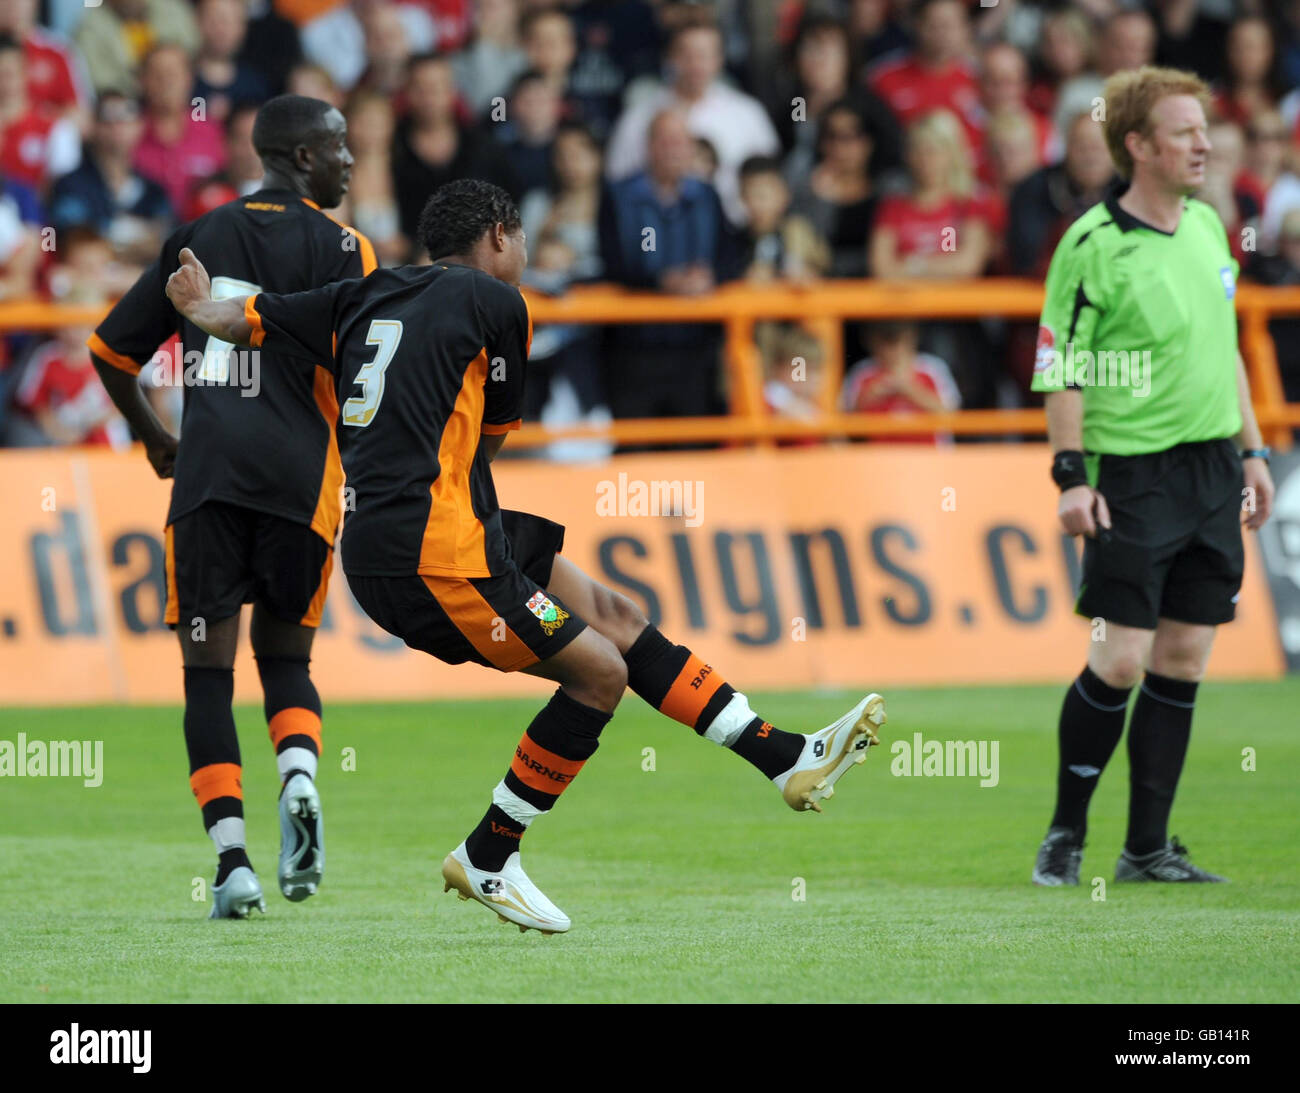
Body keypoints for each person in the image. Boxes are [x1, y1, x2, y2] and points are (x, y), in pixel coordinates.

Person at [163, 178, 886, 935]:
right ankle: (490, 854)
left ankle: (786, 757)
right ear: (500, 237)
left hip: (418, 531)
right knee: (600, 671)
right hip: (437, 552)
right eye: (524, 240)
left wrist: (193, 303)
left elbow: (236, 319)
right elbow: (493, 436)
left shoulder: (357, 296)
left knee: (615, 614)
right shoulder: (498, 304)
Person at [88, 94, 377, 919]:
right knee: (286, 661)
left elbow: (110, 350)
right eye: (339, 147)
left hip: (207, 480)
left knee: (205, 679)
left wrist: (153, 435)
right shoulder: (345, 247)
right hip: (300, 481)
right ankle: (299, 778)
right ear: (301, 157)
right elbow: (359, 363)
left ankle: (233, 866)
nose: (352, 160)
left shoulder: (198, 236)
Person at [1030, 66, 1275, 888]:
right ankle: (1064, 835)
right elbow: (1059, 363)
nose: (1204, 142)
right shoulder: (1091, 243)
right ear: (1137, 144)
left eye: (1204, 128)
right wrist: (1071, 475)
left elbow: (1226, 348)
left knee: (1184, 658)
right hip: (1130, 473)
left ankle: (1148, 847)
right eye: (1184, 130)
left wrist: (1252, 451)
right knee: (1121, 658)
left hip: (1212, 468)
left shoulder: (1209, 226)